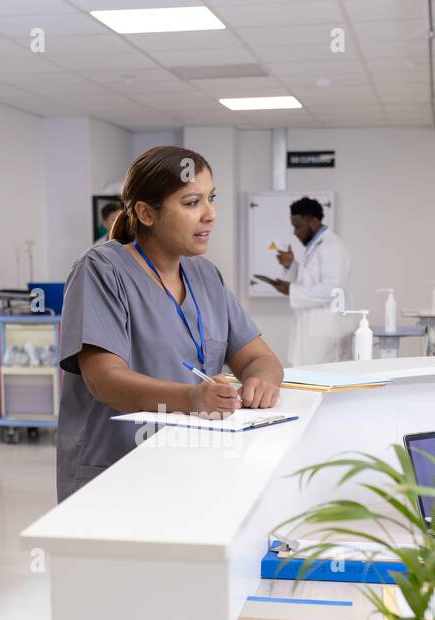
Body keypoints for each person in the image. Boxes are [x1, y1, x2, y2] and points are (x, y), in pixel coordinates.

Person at [57, 145, 285, 502]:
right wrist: (193, 397)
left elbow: (260, 358)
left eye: (211, 198)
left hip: (193, 467)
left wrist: (262, 382)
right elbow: (104, 380)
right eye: (192, 202)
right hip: (116, 475)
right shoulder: (101, 270)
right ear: (147, 213)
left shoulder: (205, 275)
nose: (210, 214)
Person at [272, 196, 352, 366]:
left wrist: (291, 290)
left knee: (322, 383)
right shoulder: (316, 247)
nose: (295, 232)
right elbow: (310, 281)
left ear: (314, 222)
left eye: (298, 227)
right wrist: (291, 266)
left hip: (327, 334)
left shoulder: (333, 247)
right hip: (312, 333)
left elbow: (332, 290)